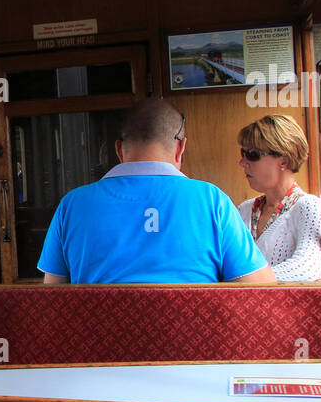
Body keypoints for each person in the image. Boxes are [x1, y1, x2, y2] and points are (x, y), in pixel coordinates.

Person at [38, 97, 276, 284]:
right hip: (189, 346)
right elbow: (260, 288)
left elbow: (54, 294)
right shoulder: (212, 201)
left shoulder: (72, 205)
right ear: (180, 147)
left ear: (119, 151)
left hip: (98, 345)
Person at [235, 114, 321, 282]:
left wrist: (244, 281)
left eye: (252, 154)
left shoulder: (308, 207)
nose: (242, 162)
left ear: (283, 161)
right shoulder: (245, 210)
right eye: (243, 153)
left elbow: (308, 267)